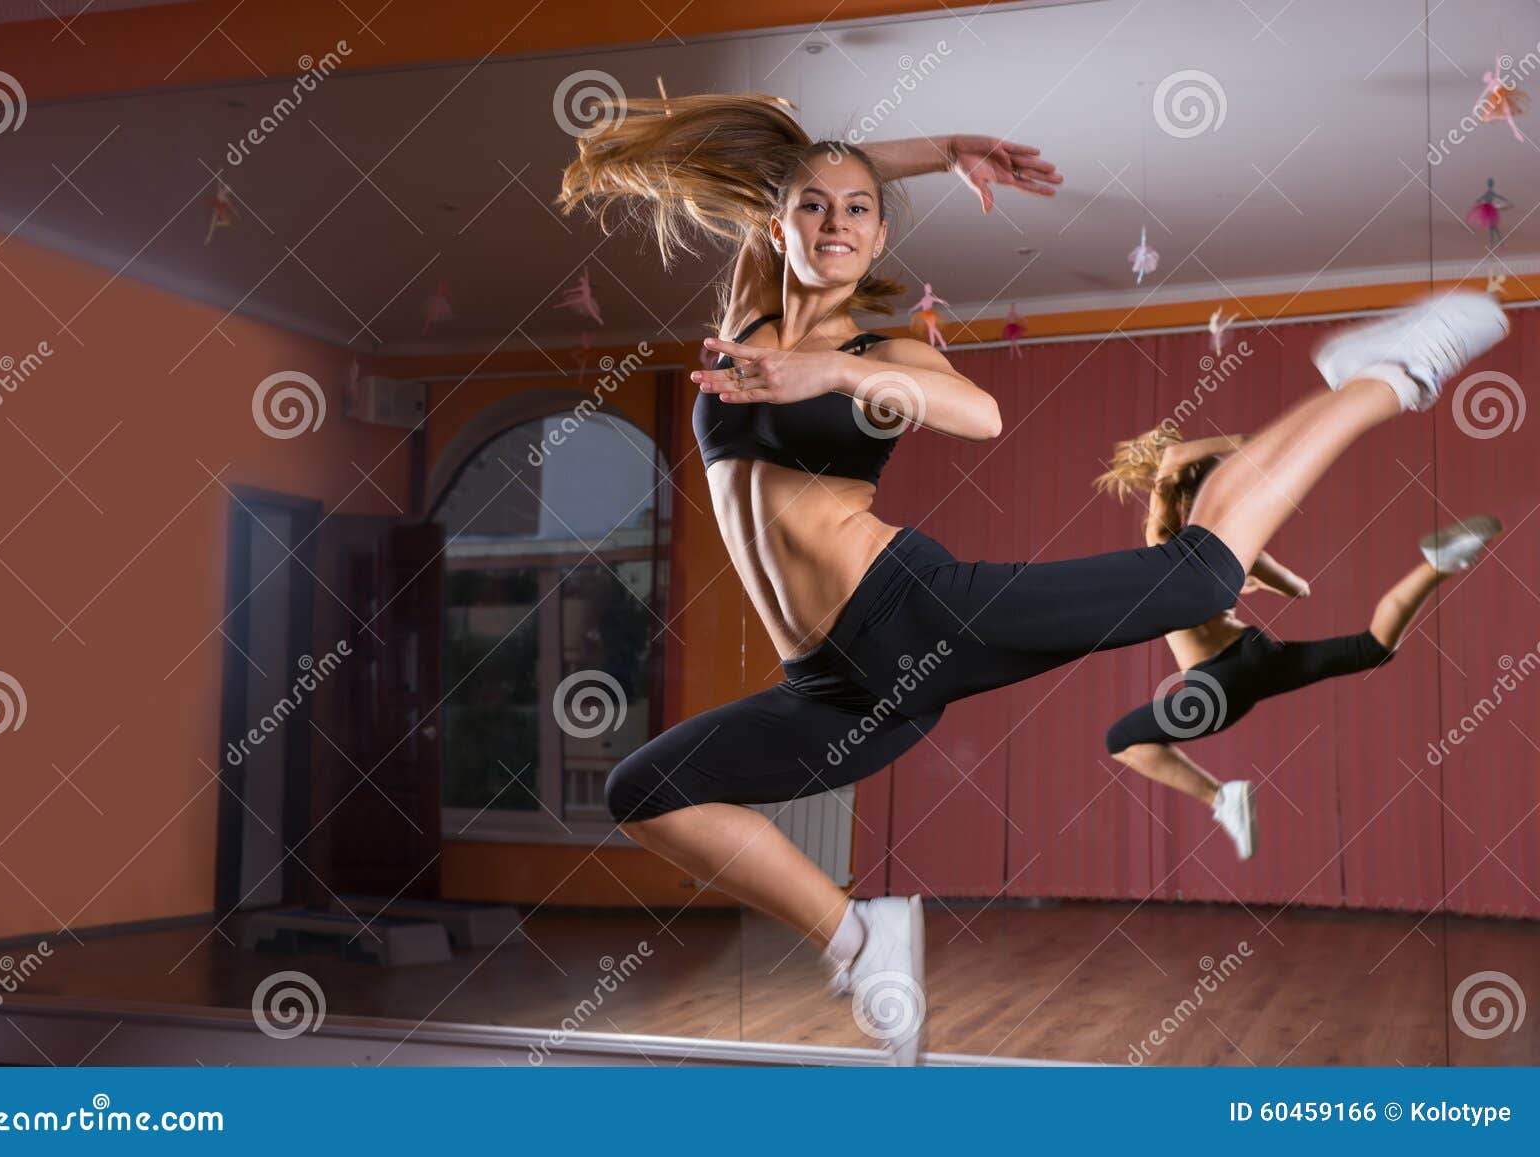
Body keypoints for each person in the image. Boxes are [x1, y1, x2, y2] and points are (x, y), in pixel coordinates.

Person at [557, 92, 1510, 1064]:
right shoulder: (748, 316)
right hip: (836, 690)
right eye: (813, 207)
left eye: (858, 210)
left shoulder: (876, 352)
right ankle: (858, 936)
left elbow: (972, 414)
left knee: (1194, 578)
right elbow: (819, 170)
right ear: (777, 221)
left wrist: (837, 380)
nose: (834, 221)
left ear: (880, 236)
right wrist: (934, 150)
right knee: (646, 790)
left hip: (906, 612)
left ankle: (1383, 377)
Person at [1096, 425, 1501, 859]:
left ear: (1175, 501)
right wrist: (1251, 579)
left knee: (1122, 740)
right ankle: (1438, 566)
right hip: (1258, 654)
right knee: (1371, 647)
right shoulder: (1237, 545)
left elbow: (1173, 457)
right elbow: (1299, 589)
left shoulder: (1162, 545)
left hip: (1217, 685)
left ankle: (1222, 798)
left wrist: (1240, 444)